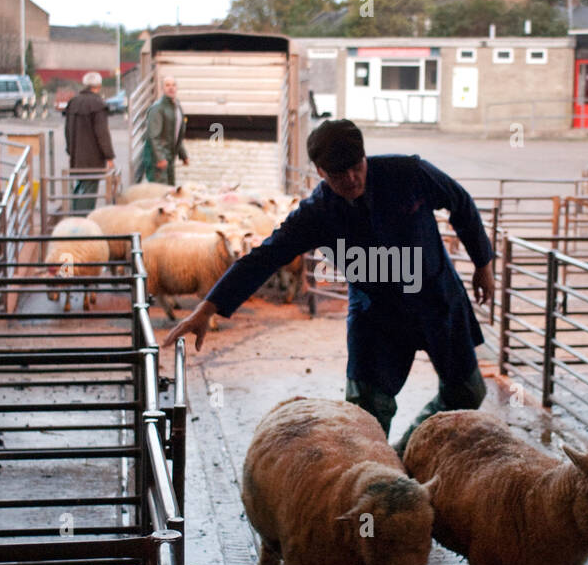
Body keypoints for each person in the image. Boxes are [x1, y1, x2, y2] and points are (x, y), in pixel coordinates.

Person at [165, 118, 495, 454]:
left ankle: (404, 452)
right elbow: (265, 257)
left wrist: (483, 264)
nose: (351, 179)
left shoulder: (409, 173)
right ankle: (373, 477)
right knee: (366, 413)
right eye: (339, 174)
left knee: (467, 392)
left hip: (435, 298)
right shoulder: (317, 213)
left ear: (365, 157)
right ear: (321, 171)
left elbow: (461, 202)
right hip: (376, 315)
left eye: (356, 167)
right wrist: (208, 308)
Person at [63, 71, 115, 213]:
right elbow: (102, 133)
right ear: (98, 85)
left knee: (80, 188)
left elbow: (67, 130)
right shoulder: (98, 104)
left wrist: (70, 150)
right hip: (93, 158)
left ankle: (75, 218)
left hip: (76, 155)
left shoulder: (73, 102)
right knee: (89, 192)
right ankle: (82, 224)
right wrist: (109, 156)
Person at [137, 74, 189, 185]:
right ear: (162, 88)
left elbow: (176, 134)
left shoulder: (177, 106)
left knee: (170, 190)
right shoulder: (157, 108)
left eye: (173, 85)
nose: (171, 88)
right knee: (160, 192)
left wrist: (183, 155)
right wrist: (160, 158)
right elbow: (153, 136)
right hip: (157, 159)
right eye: (167, 85)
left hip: (169, 156)